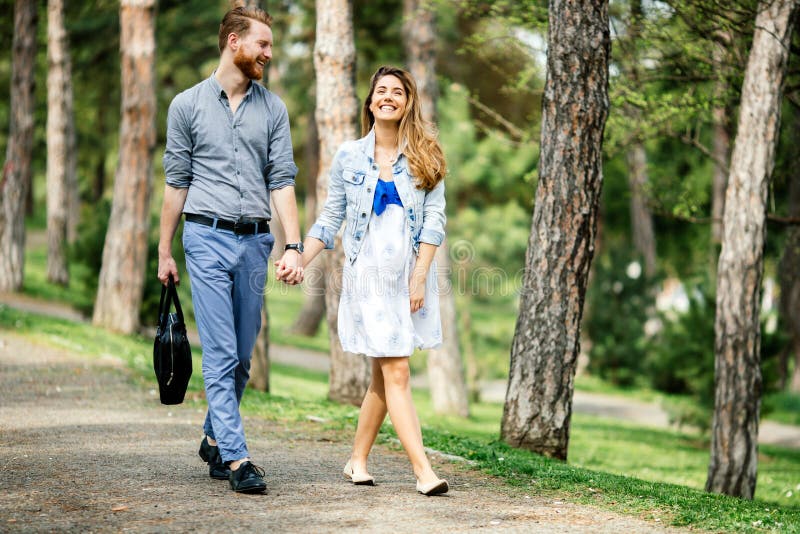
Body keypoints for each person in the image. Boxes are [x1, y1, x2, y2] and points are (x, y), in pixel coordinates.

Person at [158, 6, 304, 494]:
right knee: (220, 352)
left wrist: (295, 245)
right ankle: (238, 461)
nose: (268, 52)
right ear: (233, 42)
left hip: (255, 242)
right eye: (262, 44)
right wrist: (164, 251)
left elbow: (281, 181)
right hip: (204, 237)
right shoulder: (186, 105)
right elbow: (176, 183)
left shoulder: (273, 108)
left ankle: (212, 435)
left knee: (242, 357)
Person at [293, 65, 449, 496]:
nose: (388, 97)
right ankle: (423, 472)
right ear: (370, 101)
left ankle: (357, 460)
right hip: (368, 279)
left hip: (409, 276)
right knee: (396, 369)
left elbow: (435, 222)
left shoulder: (427, 155)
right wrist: (300, 258)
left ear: (407, 102)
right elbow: (329, 220)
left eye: (397, 92)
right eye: (381, 90)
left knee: (384, 375)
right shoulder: (349, 156)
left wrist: (419, 278)